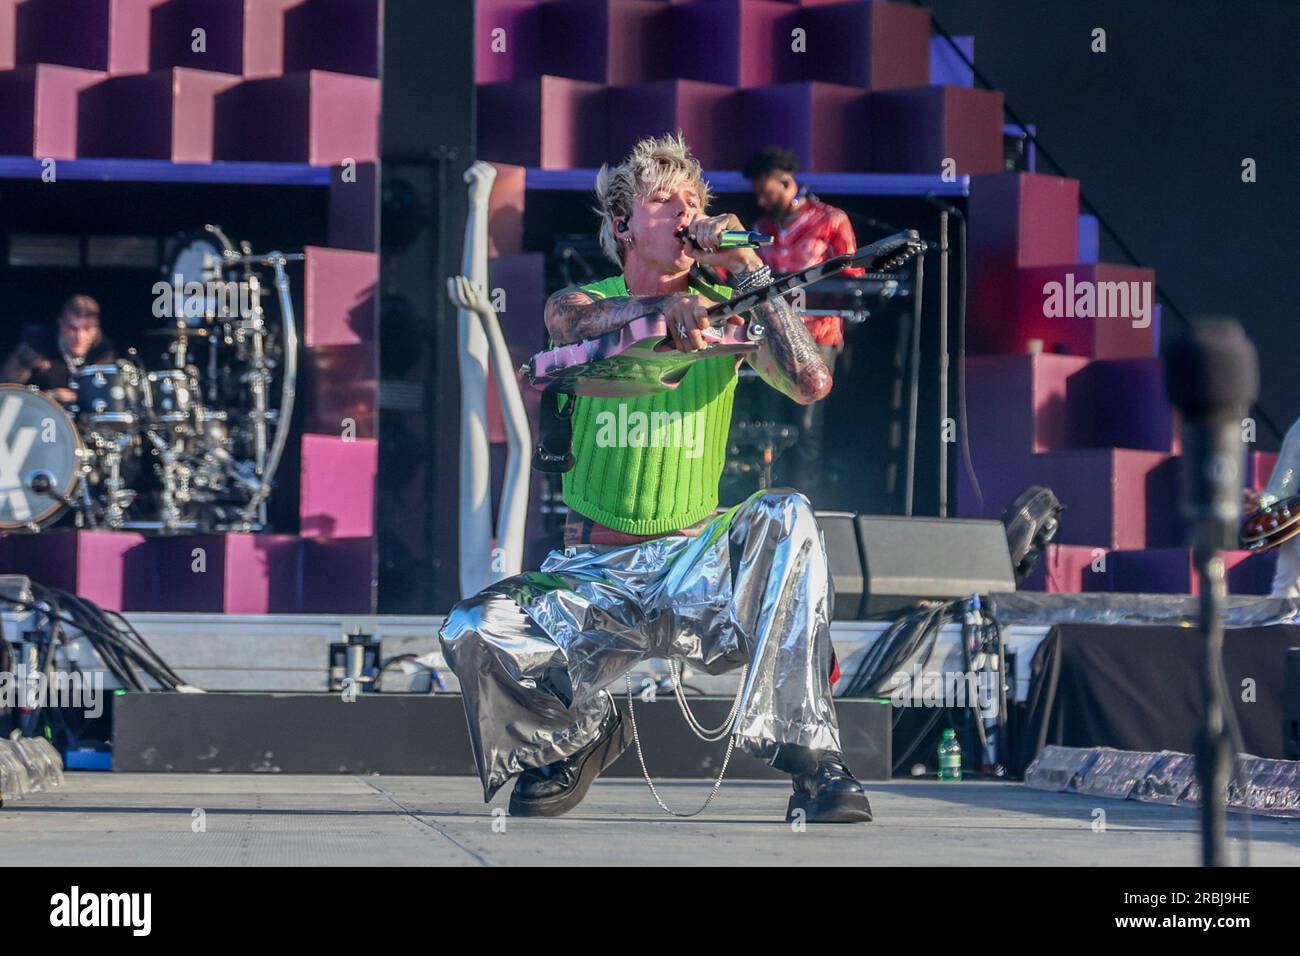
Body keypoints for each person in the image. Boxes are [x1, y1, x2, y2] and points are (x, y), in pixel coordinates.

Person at [439, 133, 873, 823]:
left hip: (695, 571)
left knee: (787, 513)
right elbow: (571, 320)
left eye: (694, 200)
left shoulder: (728, 305)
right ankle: (585, 734)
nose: (684, 210)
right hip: (594, 574)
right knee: (473, 626)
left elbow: (811, 381)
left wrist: (748, 270)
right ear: (623, 224)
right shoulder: (583, 301)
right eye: (663, 199)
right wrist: (658, 315)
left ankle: (810, 756)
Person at [744, 146, 863, 496]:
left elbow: (853, 275)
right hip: (771, 336)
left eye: (768, 193)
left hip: (818, 335)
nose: (763, 201)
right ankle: (766, 499)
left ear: (787, 182)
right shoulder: (761, 227)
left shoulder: (830, 220)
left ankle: (806, 500)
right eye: (759, 195)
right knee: (769, 421)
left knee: (807, 423)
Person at [1, 295, 116, 405]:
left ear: (96, 329)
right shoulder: (36, 345)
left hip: (85, 422)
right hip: (38, 418)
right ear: (61, 324)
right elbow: (6, 391)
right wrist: (48, 396)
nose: (79, 337)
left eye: (87, 329)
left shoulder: (103, 351)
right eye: (72, 328)